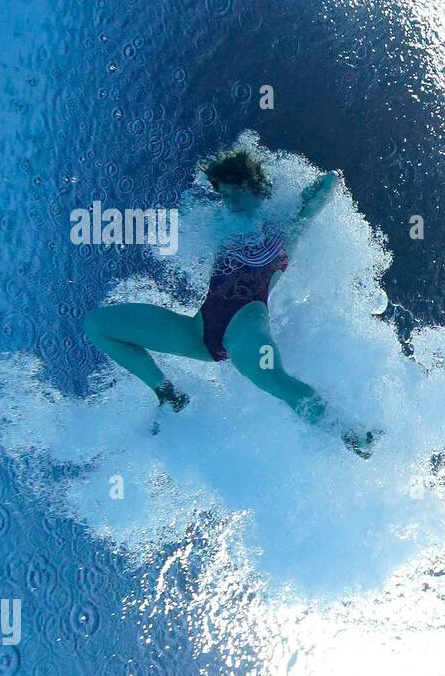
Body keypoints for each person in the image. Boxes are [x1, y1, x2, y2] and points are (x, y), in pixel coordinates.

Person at [82, 148, 376, 456]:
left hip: (245, 325)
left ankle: (352, 434)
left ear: (253, 187)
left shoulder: (286, 225)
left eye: (236, 192)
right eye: (223, 195)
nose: (229, 203)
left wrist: (296, 192)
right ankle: (168, 394)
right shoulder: (221, 226)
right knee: (98, 325)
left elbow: (328, 183)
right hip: (198, 333)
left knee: (275, 380)